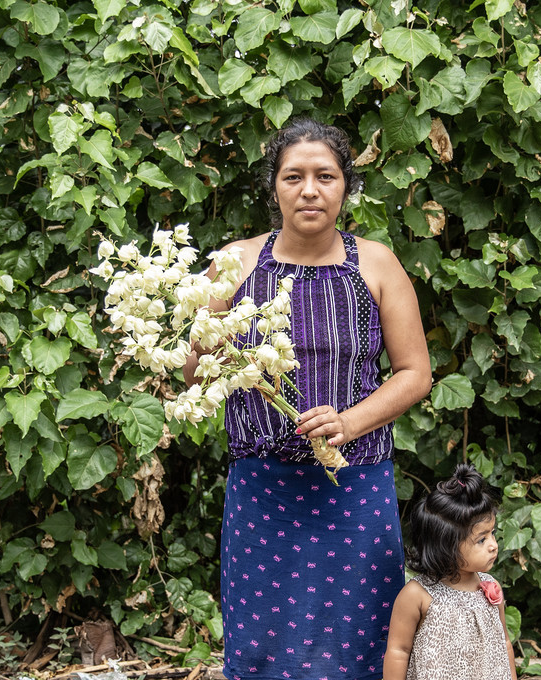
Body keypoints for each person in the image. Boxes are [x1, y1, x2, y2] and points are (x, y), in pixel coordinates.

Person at [182, 117, 432, 680]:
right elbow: (194, 373)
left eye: (326, 175)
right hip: (263, 489)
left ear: (347, 186)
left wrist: (350, 420)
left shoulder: (376, 264)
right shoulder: (235, 265)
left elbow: (416, 373)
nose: (310, 189)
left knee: (362, 638)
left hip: (356, 487)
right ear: (274, 187)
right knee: (264, 644)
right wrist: (201, 342)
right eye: (294, 176)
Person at [382, 464, 517, 680]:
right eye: (481, 539)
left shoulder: (490, 587)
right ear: (446, 545)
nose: (493, 545)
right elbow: (399, 651)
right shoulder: (417, 595)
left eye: (492, 533)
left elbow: (504, 643)